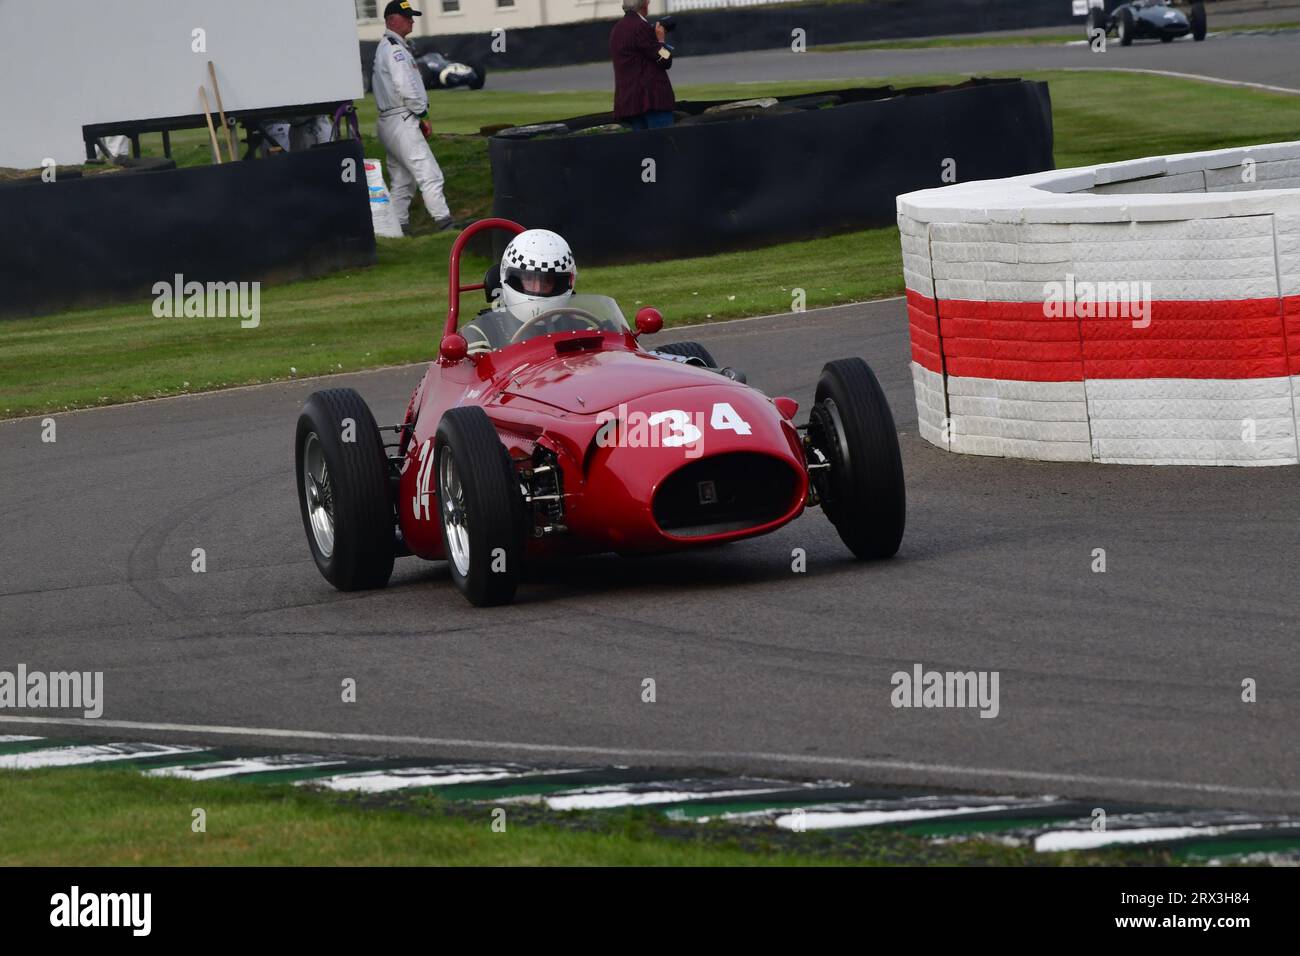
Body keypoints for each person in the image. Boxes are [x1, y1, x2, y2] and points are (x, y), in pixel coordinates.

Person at [371, 1, 454, 232]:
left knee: (402, 181)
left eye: (411, 16)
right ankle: (446, 225)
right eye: (406, 16)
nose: (412, 20)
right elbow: (406, 86)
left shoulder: (390, 46)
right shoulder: (395, 49)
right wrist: (423, 114)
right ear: (391, 20)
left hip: (390, 120)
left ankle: (398, 229)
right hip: (402, 119)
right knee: (430, 175)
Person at [609, 0, 675, 130]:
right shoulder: (640, 27)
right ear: (645, 4)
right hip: (651, 101)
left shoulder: (617, 29)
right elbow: (665, 59)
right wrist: (661, 41)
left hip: (629, 102)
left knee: (642, 149)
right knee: (663, 146)